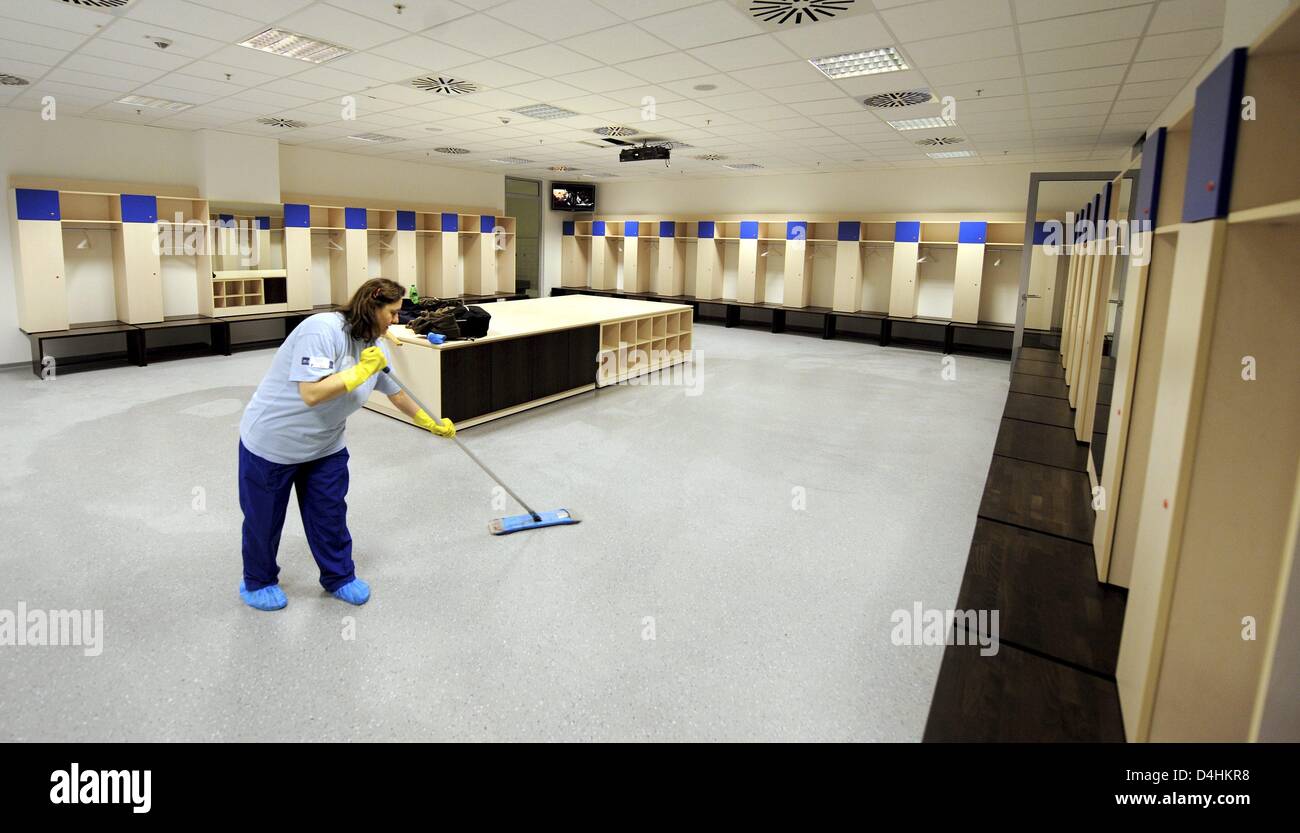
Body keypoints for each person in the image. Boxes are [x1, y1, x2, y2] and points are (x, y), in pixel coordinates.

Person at [235, 277, 455, 611]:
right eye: (393, 313)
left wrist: (429, 421)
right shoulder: (321, 331)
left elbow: (394, 391)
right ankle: (258, 581)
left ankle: (339, 576)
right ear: (372, 307)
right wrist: (359, 372)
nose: (396, 321)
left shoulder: (373, 346)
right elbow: (312, 393)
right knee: (263, 519)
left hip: (325, 446)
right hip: (274, 443)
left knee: (330, 514)